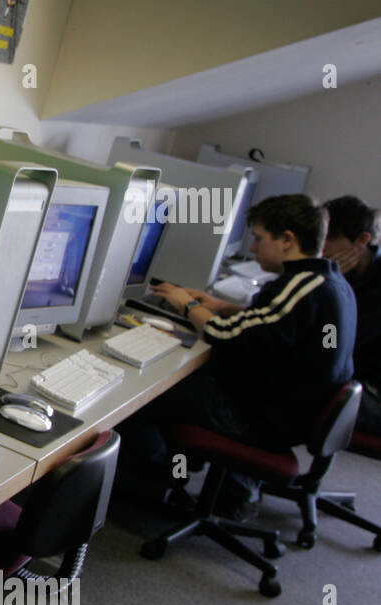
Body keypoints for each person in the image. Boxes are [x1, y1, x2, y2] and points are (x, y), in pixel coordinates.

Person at [124, 194, 356, 519]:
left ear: (287, 240)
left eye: (260, 239)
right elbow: (277, 323)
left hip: (263, 420)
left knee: (149, 388)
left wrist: (187, 304)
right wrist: (220, 306)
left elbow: (224, 334)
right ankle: (177, 473)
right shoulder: (330, 281)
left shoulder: (300, 286)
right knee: (187, 378)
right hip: (294, 414)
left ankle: (155, 479)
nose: (254, 249)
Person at [322, 195, 380, 434]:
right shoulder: (360, 275)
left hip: (372, 396)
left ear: (362, 240)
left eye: (329, 240)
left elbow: (331, 346)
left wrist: (329, 285)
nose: (321, 248)